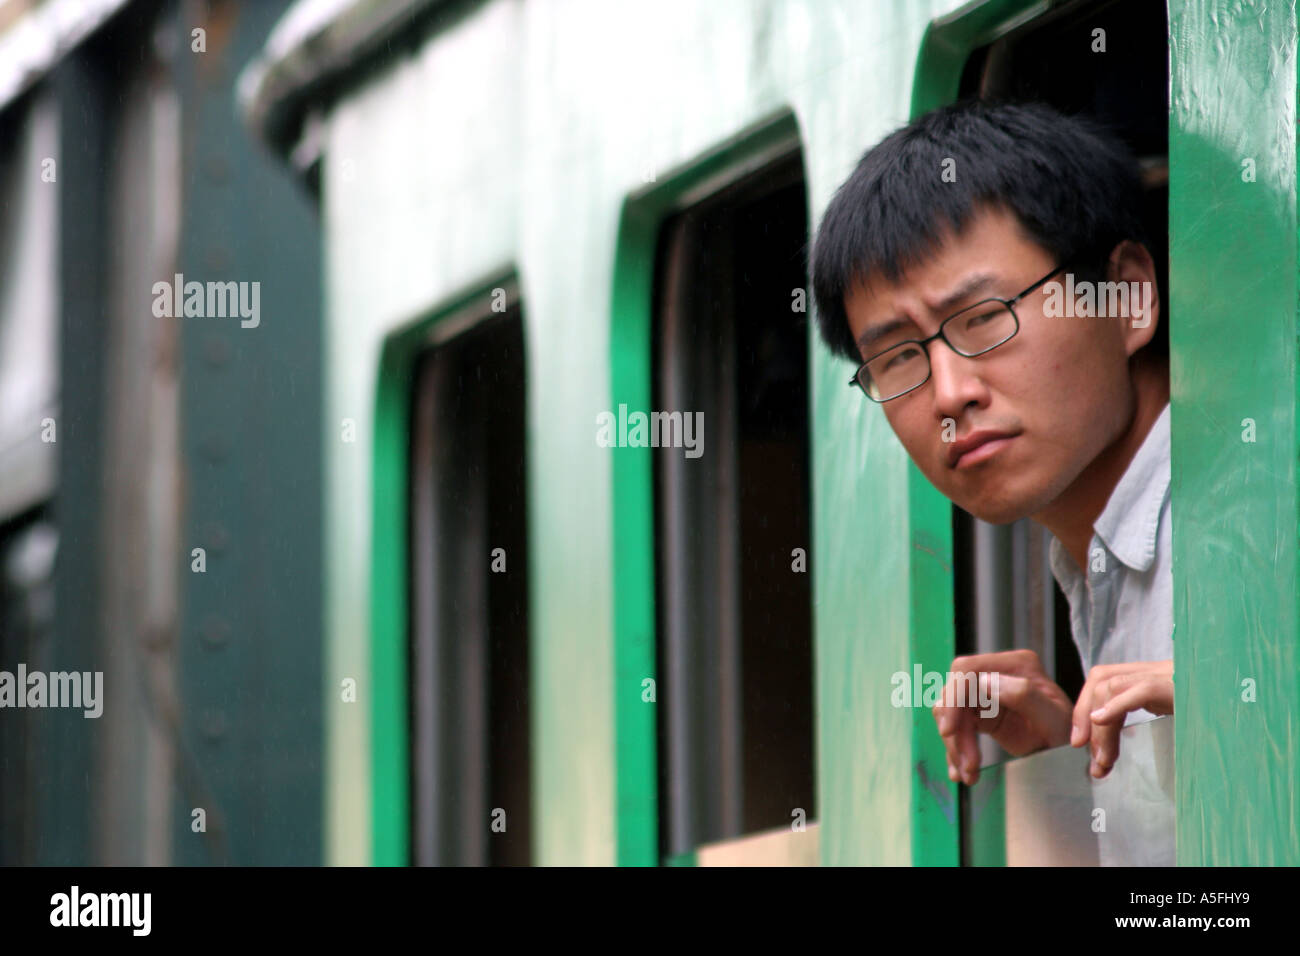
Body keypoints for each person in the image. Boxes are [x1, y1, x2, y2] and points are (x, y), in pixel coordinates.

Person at [811, 100, 1173, 785]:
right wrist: (1072, 770)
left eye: (984, 319)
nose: (949, 394)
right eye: (898, 359)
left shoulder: (1263, 512)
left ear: (1126, 295)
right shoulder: (1094, 565)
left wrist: (1255, 706)